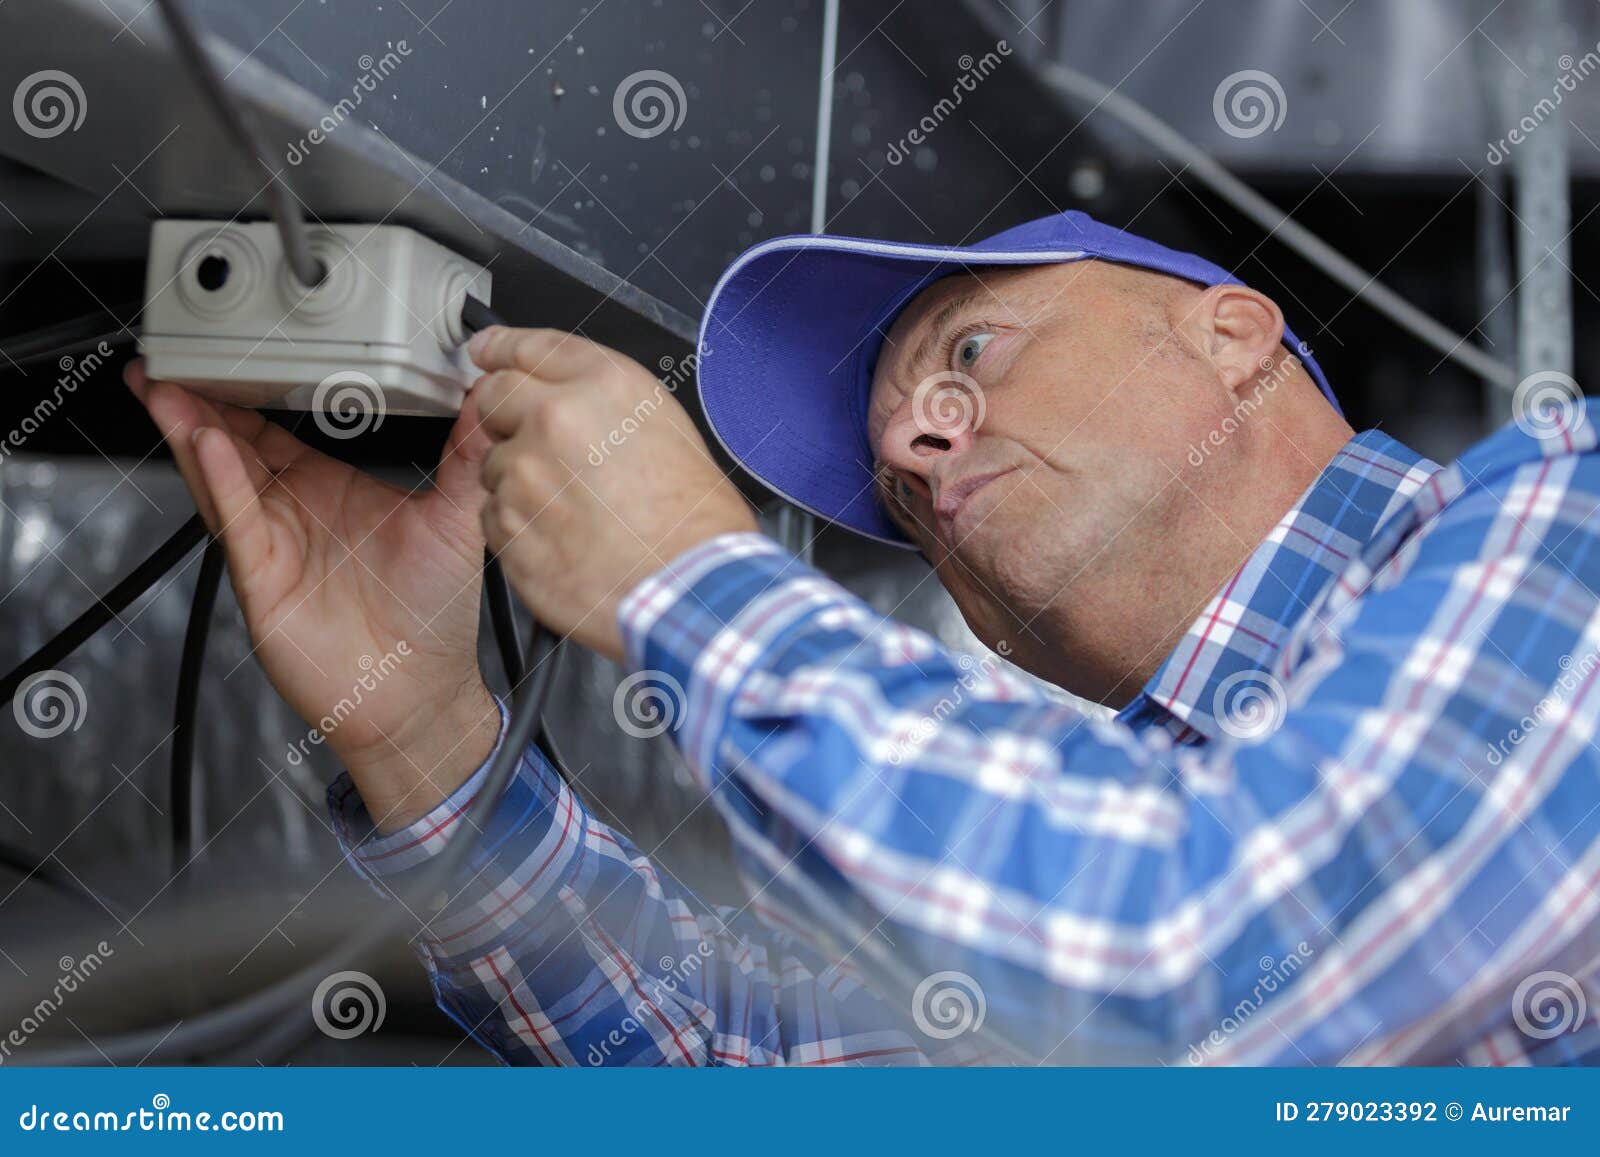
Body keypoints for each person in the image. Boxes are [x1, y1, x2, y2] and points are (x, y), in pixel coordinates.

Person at [127, 210, 1600, 1065]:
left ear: (1232, 331)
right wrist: (428, 736)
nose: (911, 437)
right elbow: (749, 1067)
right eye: (898, 485)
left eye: (972, 347)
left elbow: (1210, 942)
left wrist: (693, 579)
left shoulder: (1566, 501)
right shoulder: (1100, 855)